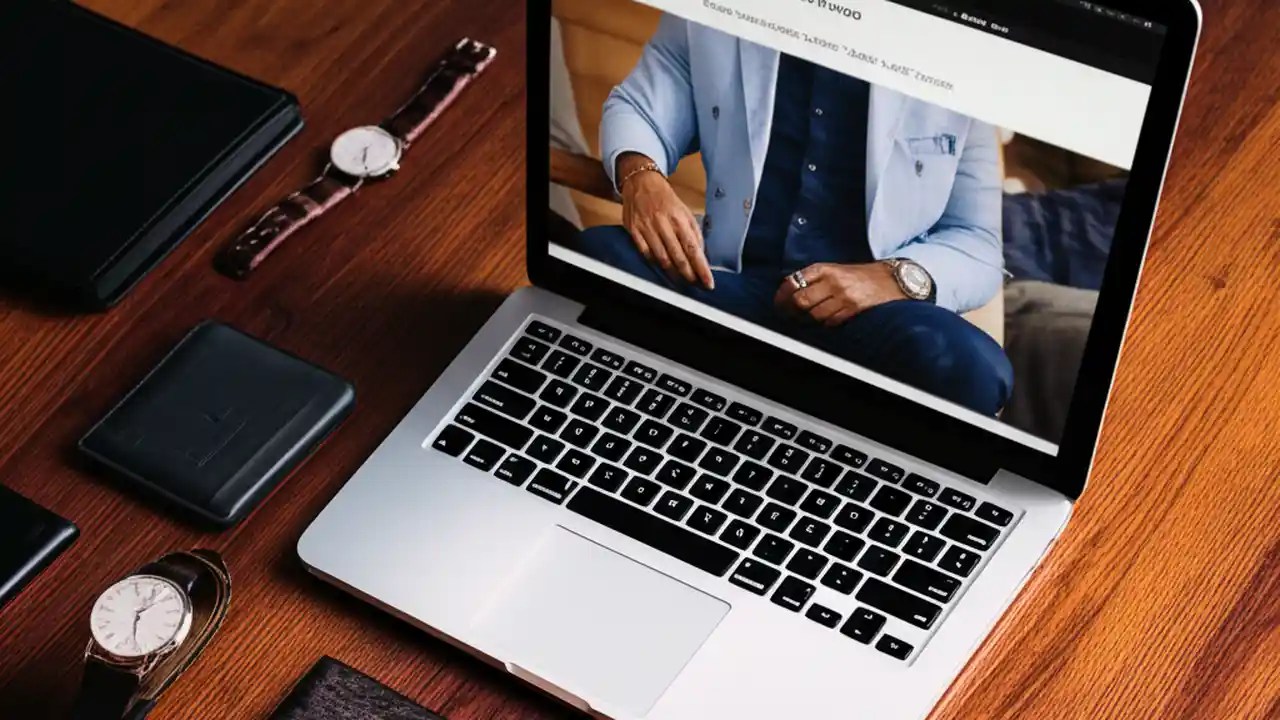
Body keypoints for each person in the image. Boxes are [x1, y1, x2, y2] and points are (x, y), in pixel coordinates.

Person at [569, 13, 1013, 415]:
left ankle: (735, 401)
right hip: (726, 286)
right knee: (594, 259)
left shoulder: (957, 52)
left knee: (974, 369)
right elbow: (641, 106)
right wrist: (641, 177)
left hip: (869, 322)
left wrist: (889, 278)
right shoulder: (717, 11)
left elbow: (977, 241)